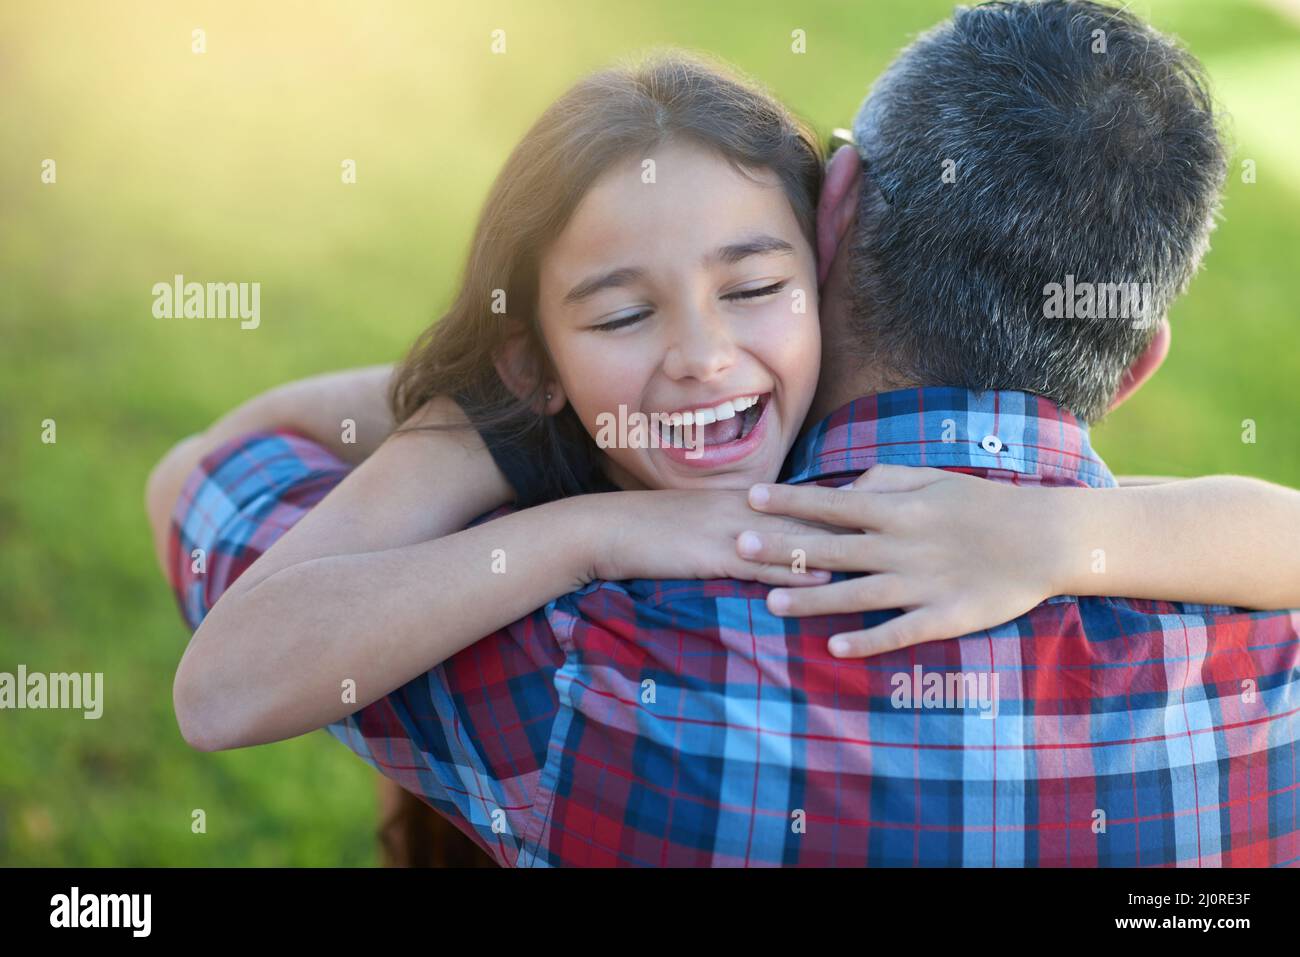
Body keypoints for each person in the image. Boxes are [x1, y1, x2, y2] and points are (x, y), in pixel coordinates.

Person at [149, 4, 1300, 866]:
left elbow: (207, 486)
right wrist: (594, 520)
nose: (699, 355)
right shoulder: (1267, 670)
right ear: (1141, 361)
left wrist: (517, 467)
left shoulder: (572, 662)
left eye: (751, 285)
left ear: (829, 223)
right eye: (618, 313)